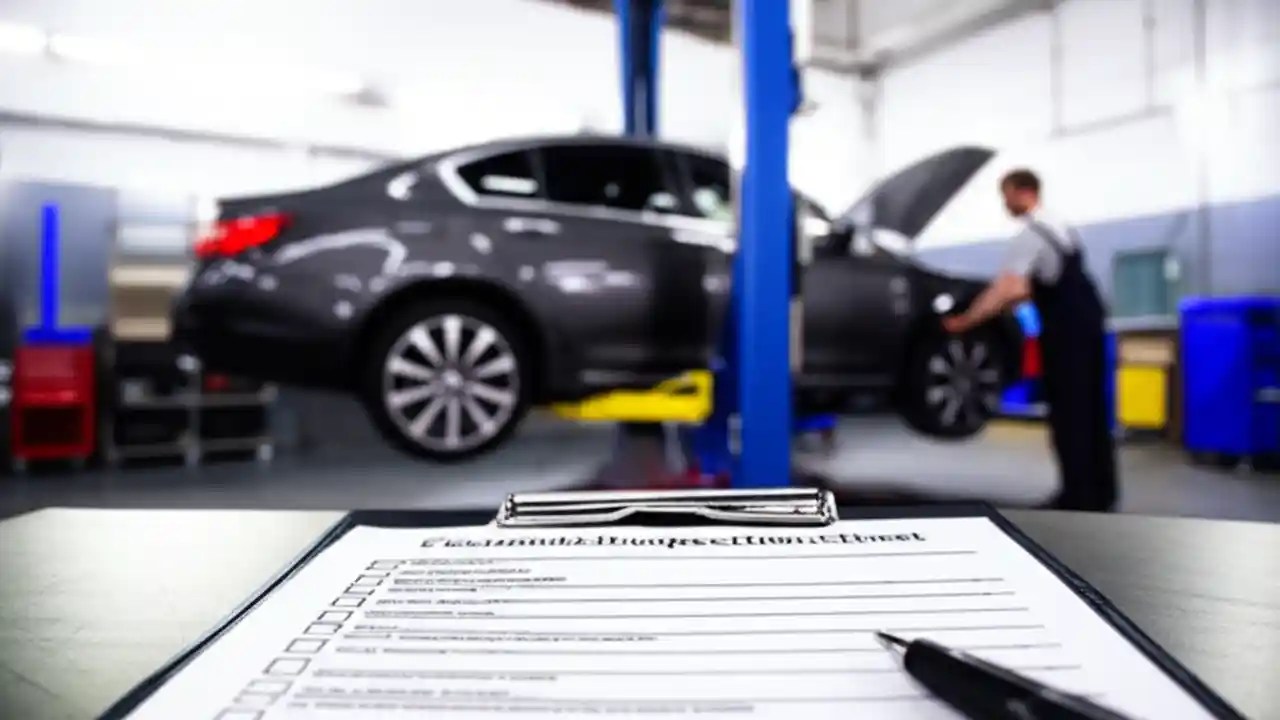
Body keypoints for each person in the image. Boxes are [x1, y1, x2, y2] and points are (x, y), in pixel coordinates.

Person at [941, 169, 1117, 512]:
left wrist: (966, 320)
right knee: (1093, 411)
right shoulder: (1059, 224)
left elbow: (1009, 287)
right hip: (1090, 323)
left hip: (1067, 331)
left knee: (1069, 413)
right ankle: (1102, 492)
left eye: (1005, 195)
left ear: (1023, 193)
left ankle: (1077, 497)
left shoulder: (1031, 233)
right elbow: (1028, 288)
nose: (1004, 203)